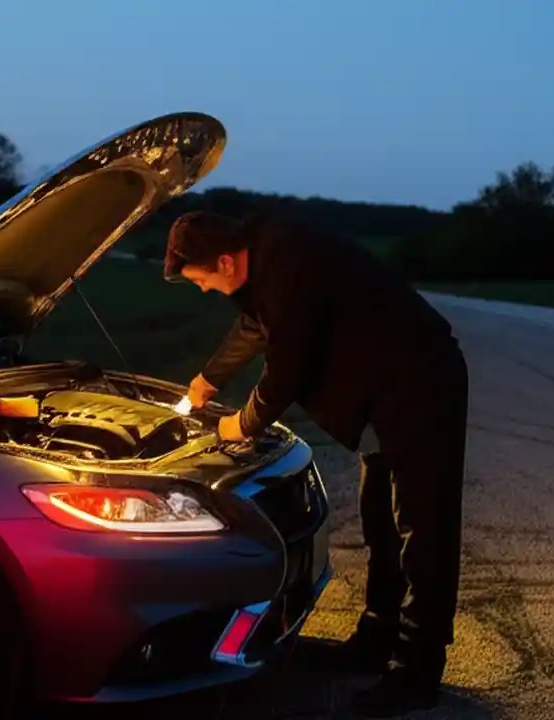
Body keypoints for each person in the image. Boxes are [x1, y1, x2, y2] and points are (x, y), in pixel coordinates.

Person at [163, 209, 469, 717]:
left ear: (223, 260)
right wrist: (206, 382)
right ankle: (376, 637)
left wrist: (242, 424)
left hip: (422, 383)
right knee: (380, 521)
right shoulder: (261, 259)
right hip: (382, 394)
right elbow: (252, 327)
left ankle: (418, 670)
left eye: (201, 281)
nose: (203, 291)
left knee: (424, 528)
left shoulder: (288, 260)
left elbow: (286, 367)